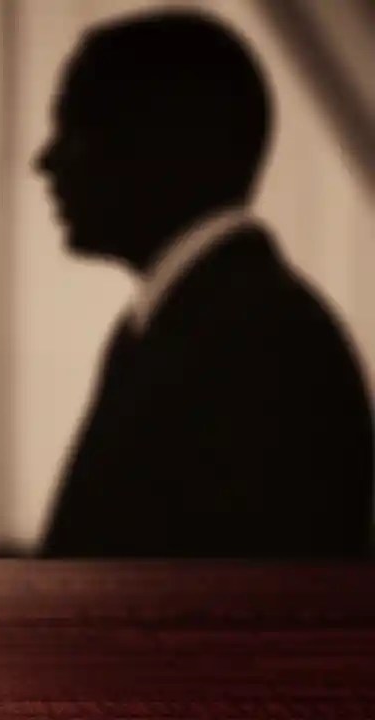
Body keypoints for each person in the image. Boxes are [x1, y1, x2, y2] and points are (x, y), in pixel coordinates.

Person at [35, 10, 374, 558]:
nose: (45, 160)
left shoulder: (267, 344)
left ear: (160, 142)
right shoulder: (186, 324)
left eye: (75, 127)